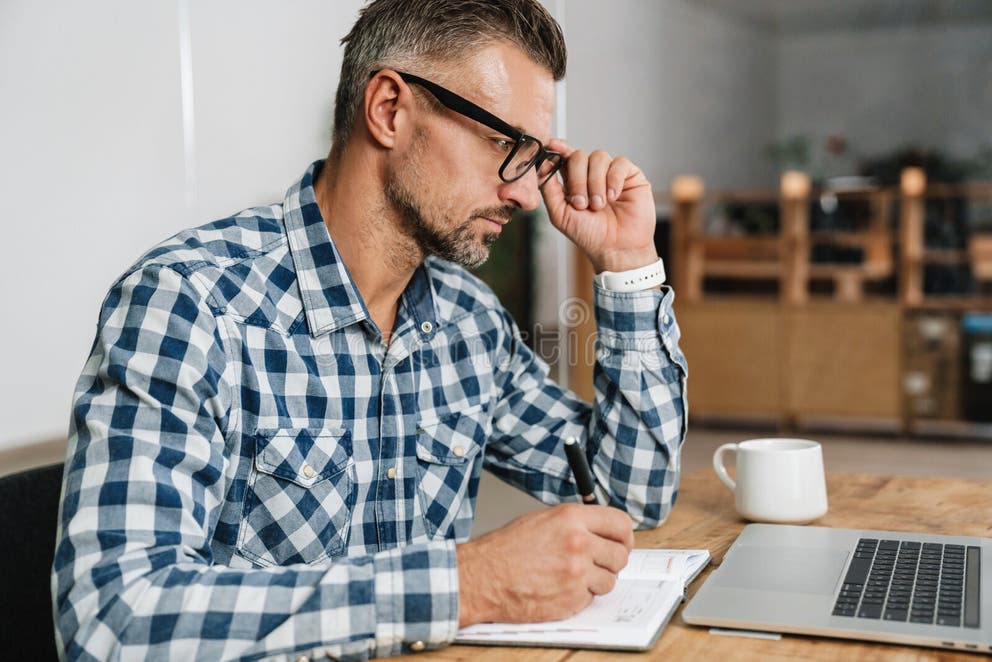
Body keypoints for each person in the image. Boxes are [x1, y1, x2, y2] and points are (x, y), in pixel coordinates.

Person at [52, 0, 688, 659]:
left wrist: (629, 265)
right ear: (388, 109)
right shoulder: (189, 305)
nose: (527, 195)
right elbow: (112, 621)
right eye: (505, 144)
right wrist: (467, 584)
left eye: (534, 158)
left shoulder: (468, 322)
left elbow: (629, 494)